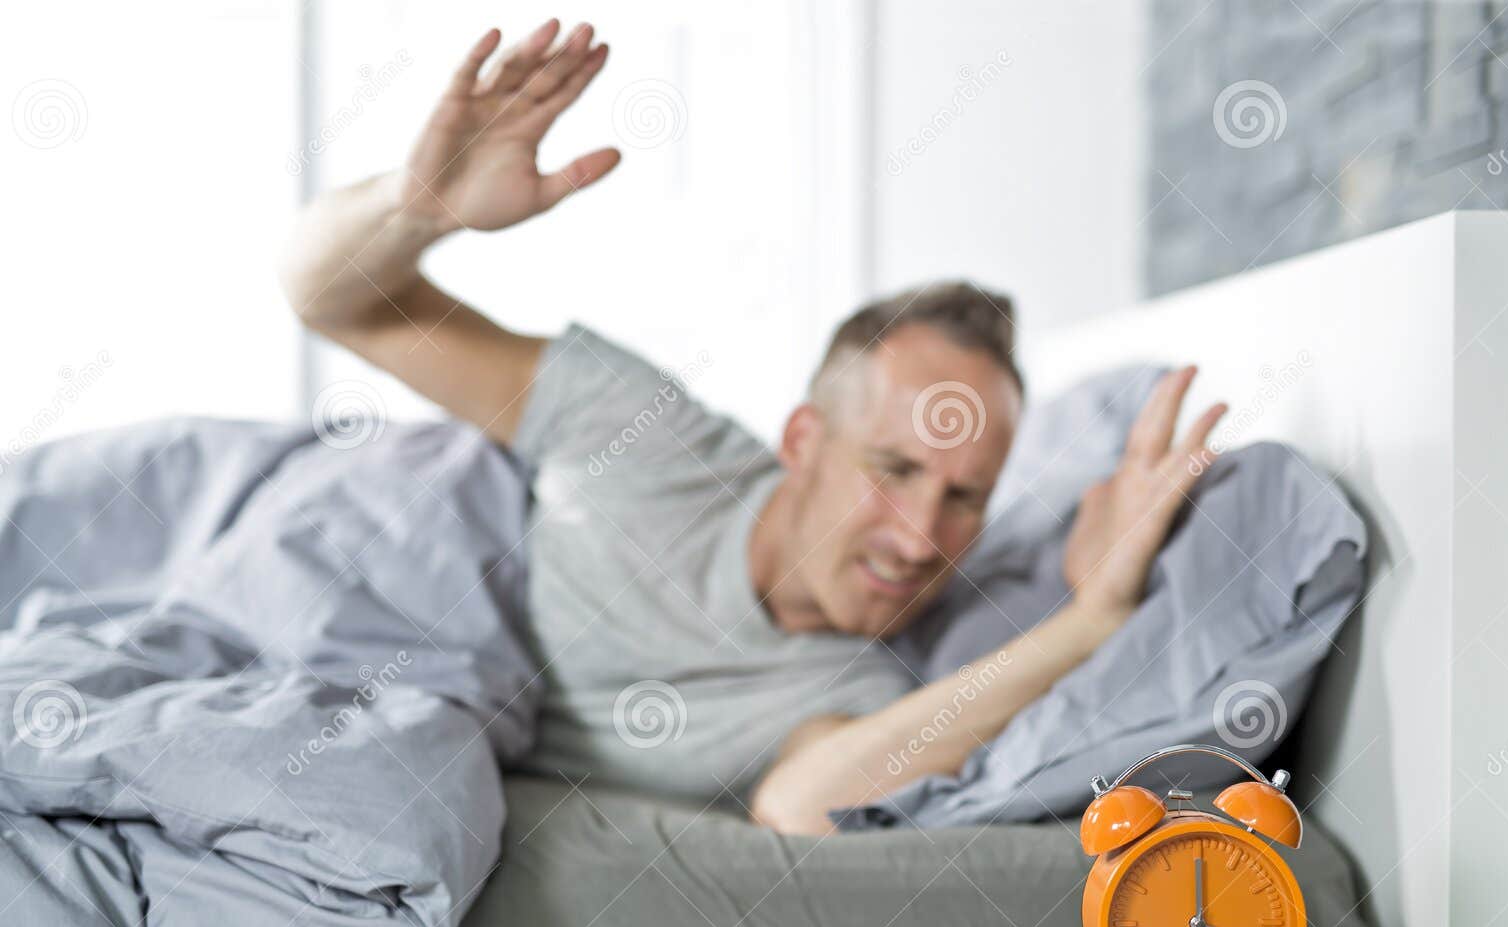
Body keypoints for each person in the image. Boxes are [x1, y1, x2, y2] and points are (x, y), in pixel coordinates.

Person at [277, 19, 1225, 835]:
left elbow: (806, 808)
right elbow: (332, 295)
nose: (918, 537)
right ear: (804, 439)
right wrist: (414, 212)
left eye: (964, 496)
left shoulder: (860, 690)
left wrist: (1092, 618)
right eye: (894, 469)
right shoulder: (641, 431)